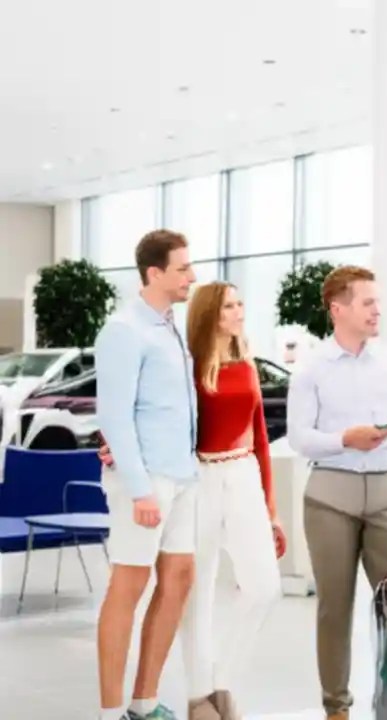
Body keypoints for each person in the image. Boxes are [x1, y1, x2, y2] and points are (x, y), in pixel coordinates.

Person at [100, 280, 287, 720]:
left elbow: (260, 436)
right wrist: (119, 446)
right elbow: (155, 414)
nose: (239, 312)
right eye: (229, 307)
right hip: (199, 474)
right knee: (196, 593)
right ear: (209, 315)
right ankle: (200, 698)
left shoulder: (249, 365)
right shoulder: (190, 364)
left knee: (264, 588)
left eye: (241, 303)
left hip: (243, 475)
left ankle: (222, 682)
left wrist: (272, 509)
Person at [286, 265, 387, 720]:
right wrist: (347, 438)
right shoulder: (311, 368)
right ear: (338, 309)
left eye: (377, 302)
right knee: (335, 608)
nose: (376, 310)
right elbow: (300, 437)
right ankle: (336, 709)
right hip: (331, 492)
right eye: (368, 303)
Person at [95, 229, 199, 720]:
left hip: (182, 474)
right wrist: (139, 490)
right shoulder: (123, 329)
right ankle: (111, 710)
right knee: (129, 585)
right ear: (154, 273)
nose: (190, 276)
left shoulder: (169, 326)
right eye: (182, 268)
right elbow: (114, 416)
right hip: (147, 480)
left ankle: (144, 700)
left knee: (179, 577)